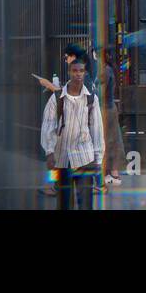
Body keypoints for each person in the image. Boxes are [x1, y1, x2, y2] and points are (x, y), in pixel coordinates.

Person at [39, 57, 103, 210]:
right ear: (69, 72)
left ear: (85, 73)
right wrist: (49, 152)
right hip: (62, 159)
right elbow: (48, 126)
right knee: (64, 204)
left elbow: (97, 130)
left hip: (85, 157)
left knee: (86, 205)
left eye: (81, 71)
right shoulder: (56, 98)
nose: (78, 74)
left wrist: (98, 159)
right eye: (74, 71)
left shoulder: (91, 99)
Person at [96, 47, 125, 186]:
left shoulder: (104, 70)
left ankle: (104, 175)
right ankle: (114, 174)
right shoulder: (110, 69)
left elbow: (99, 92)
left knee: (104, 141)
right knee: (114, 140)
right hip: (111, 107)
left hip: (104, 110)